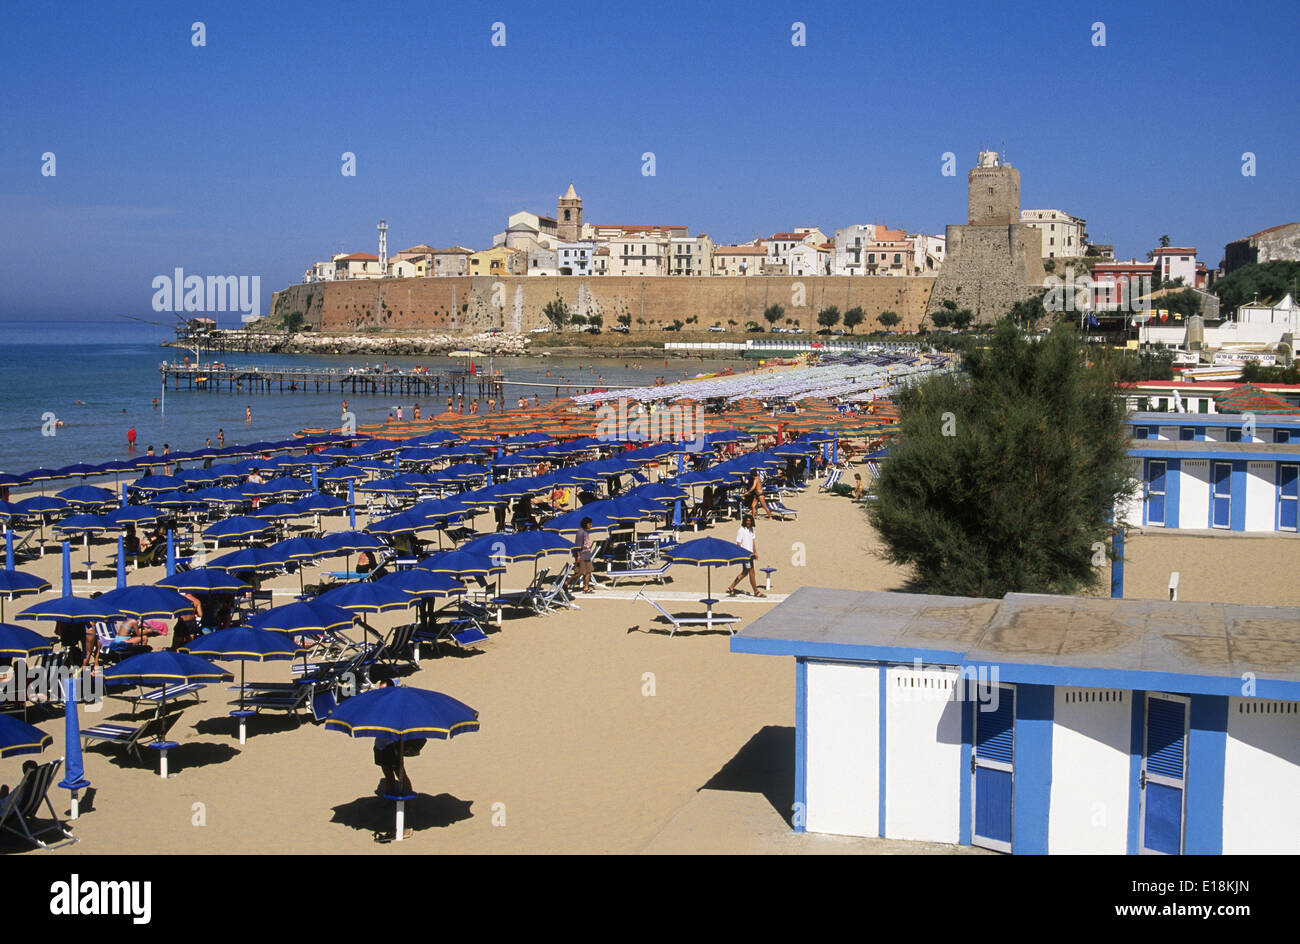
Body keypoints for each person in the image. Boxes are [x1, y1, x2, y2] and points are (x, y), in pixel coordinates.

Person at [727, 514, 764, 597]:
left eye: (749, 521)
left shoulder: (751, 529)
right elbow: (738, 542)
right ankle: (756, 591)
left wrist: (755, 552)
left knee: (744, 573)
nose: (748, 522)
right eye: (747, 521)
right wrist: (741, 554)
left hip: (750, 554)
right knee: (752, 572)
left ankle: (731, 587)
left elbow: (753, 542)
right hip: (745, 554)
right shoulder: (741, 530)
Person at [566, 517, 595, 593]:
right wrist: (578, 556)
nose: (591, 525)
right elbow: (578, 546)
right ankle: (566, 583)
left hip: (587, 555)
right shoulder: (580, 533)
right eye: (589, 524)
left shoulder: (586, 532)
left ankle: (586, 587)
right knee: (579, 573)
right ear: (586, 524)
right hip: (581, 555)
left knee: (589, 571)